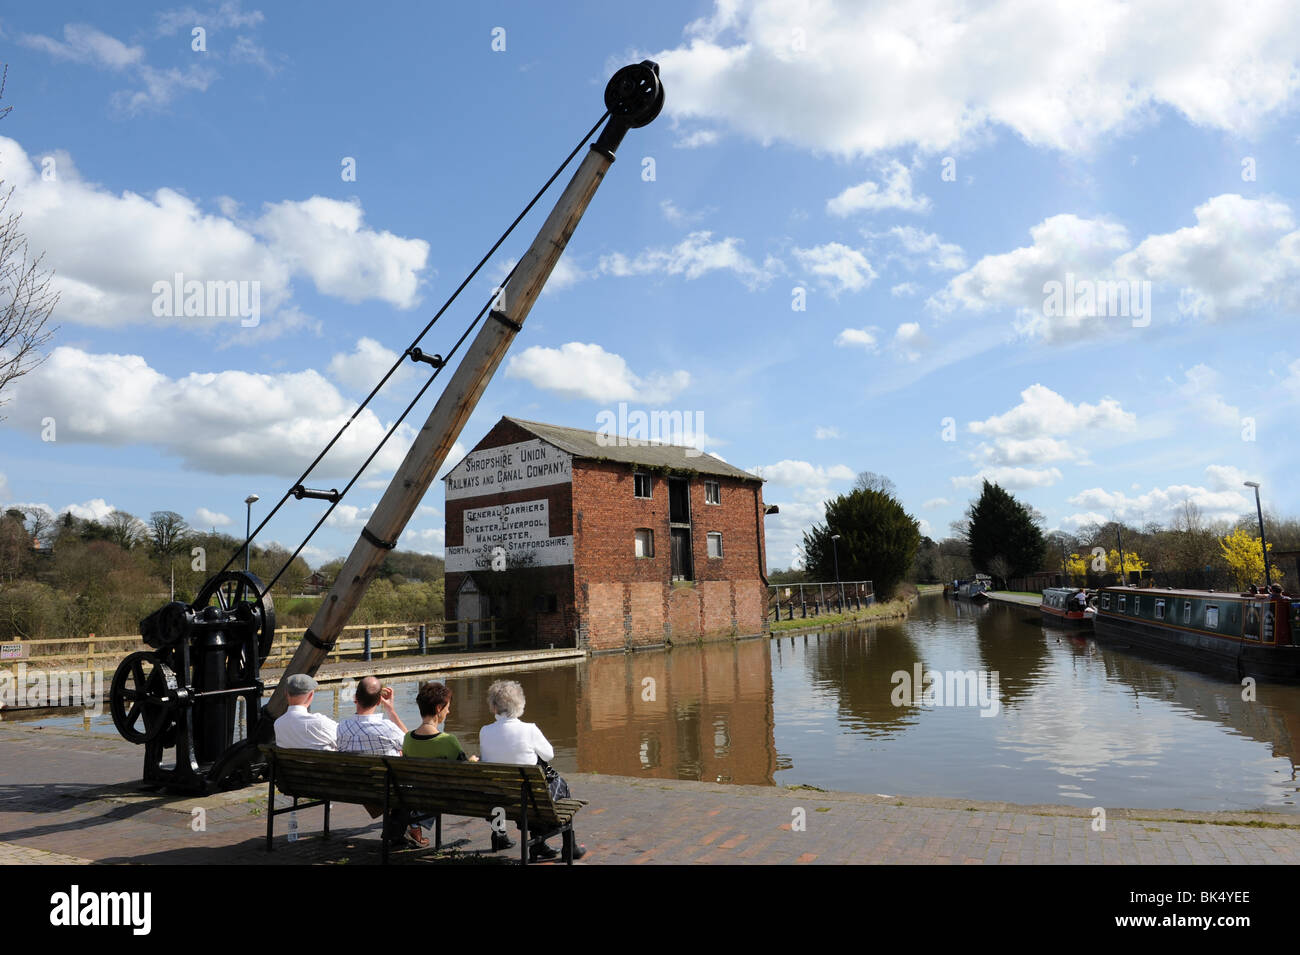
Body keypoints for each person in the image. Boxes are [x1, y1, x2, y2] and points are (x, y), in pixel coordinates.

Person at [479, 679, 586, 861]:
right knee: (559, 784)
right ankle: (569, 846)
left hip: (501, 800)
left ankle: (519, 840)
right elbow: (549, 754)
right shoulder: (529, 730)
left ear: (494, 707)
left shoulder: (485, 731)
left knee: (527, 787)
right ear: (520, 704)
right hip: (531, 800)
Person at [337, 676, 423, 848]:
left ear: (355, 698)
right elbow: (414, 745)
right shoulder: (387, 728)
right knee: (404, 763)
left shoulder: (342, 727)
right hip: (390, 789)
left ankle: (404, 827)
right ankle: (405, 827)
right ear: (378, 702)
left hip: (359, 787)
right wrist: (391, 710)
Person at [273, 674, 337, 750]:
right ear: (311, 695)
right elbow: (344, 739)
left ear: (286, 694)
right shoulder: (320, 722)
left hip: (288, 762)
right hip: (322, 762)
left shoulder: (278, 724)